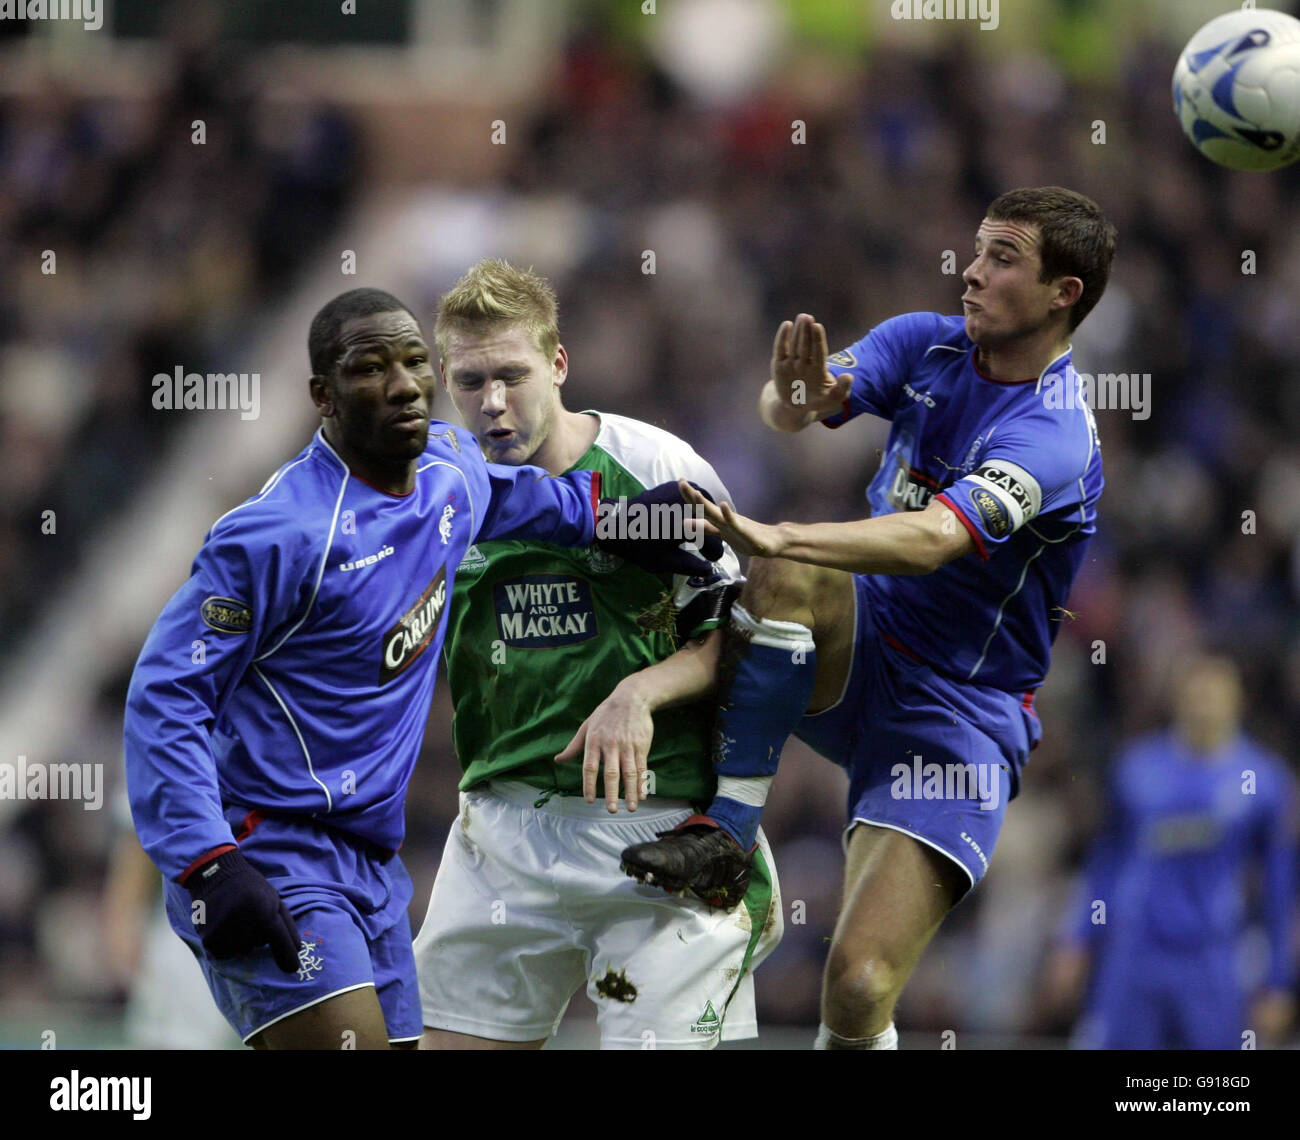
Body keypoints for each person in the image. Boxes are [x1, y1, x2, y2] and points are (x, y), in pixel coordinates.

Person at [123, 287, 714, 1050]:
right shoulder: (276, 536)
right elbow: (165, 697)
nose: (402, 383)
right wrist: (207, 864)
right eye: (369, 368)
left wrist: (621, 519)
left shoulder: (448, 465)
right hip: (271, 850)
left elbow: (523, 500)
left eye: (411, 361)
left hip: (372, 865)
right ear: (322, 396)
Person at [629, 186, 1115, 1050]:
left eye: (1002, 258)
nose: (970, 271)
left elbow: (934, 538)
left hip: (958, 715)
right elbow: (792, 411)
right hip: (856, 641)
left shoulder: (1055, 435)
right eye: (977, 249)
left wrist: (782, 528)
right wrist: (794, 394)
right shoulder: (921, 344)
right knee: (776, 571)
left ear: (1062, 293)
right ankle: (728, 834)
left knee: (857, 987)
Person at [411, 259, 782, 1050]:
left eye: (513, 376)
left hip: (656, 832)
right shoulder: (437, 494)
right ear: (444, 378)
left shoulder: (656, 469)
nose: (494, 404)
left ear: (558, 364)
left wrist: (640, 691)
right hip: (499, 835)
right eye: (471, 381)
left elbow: (753, 640)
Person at [1044, 655, 1295, 1049]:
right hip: (1135, 953)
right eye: (1195, 694)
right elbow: (1105, 862)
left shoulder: (1262, 781)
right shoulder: (1136, 768)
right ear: (1178, 699)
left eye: (1214, 695)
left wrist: (1278, 980)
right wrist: (1076, 938)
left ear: (1237, 702)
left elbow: (1278, 884)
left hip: (1213, 958)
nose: (1203, 704)